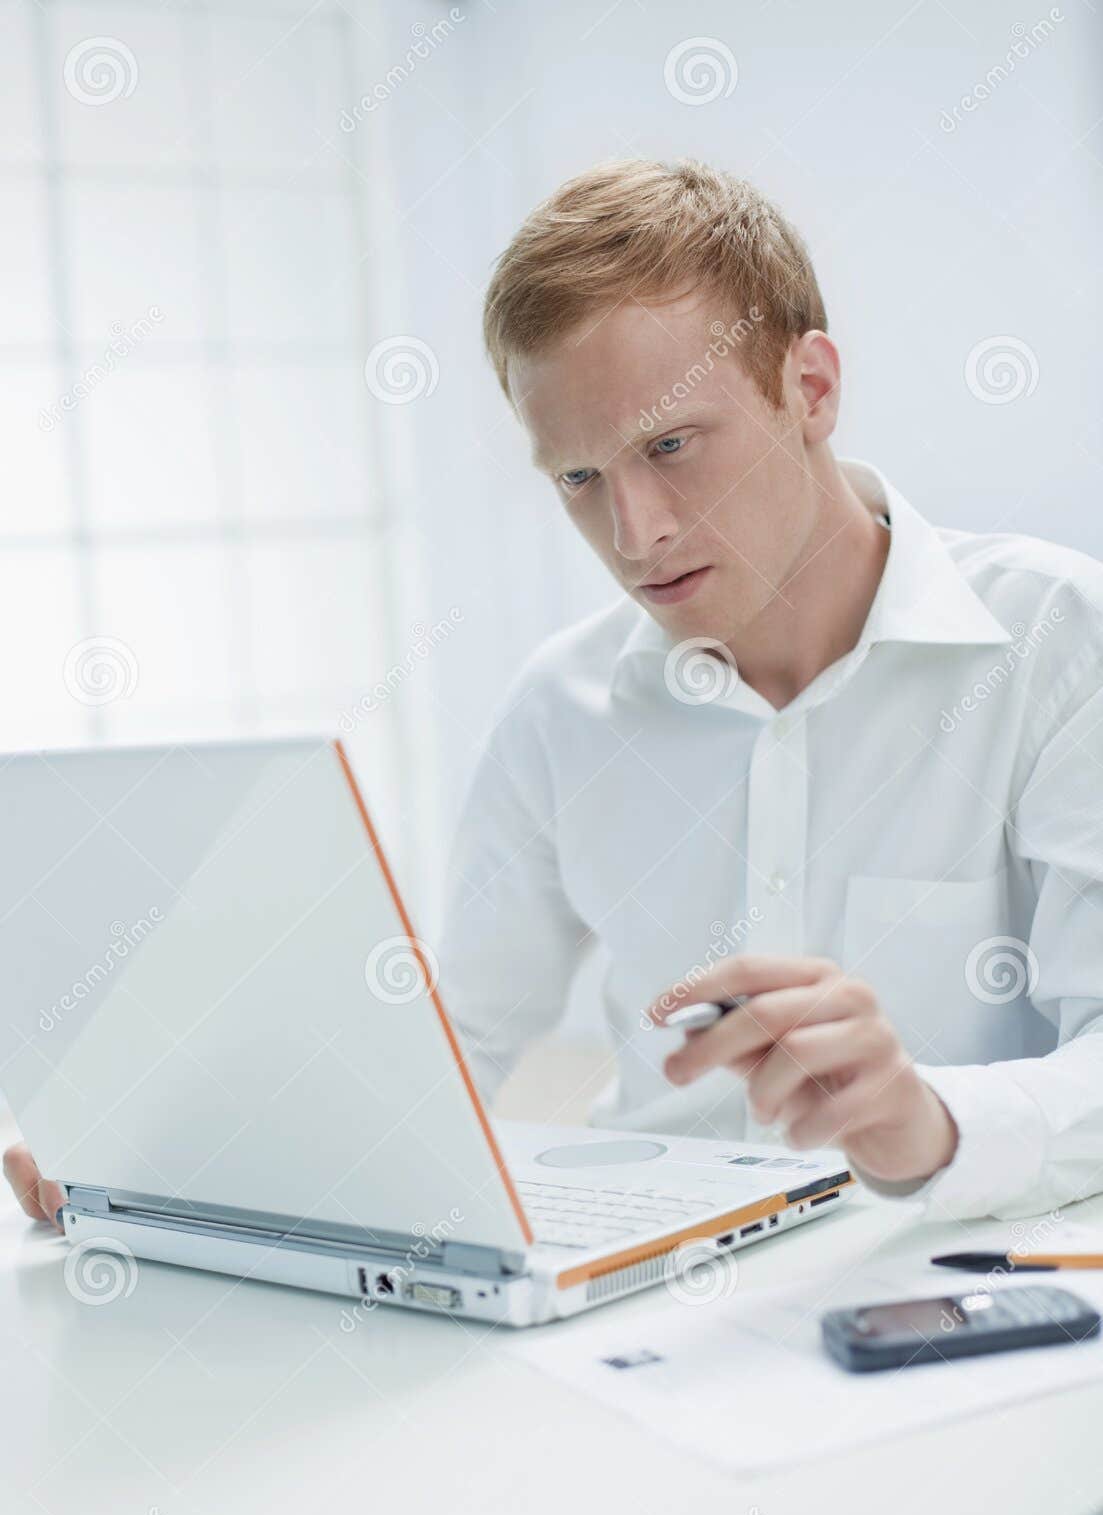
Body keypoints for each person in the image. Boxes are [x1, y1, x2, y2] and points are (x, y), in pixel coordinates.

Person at [6, 156, 1103, 1229]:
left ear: (807, 388)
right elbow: (450, 1043)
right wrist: (169, 1162)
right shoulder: (562, 705)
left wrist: (931, 1120)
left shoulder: (1055, 642)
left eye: (669, 445)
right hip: (647, 1301)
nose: (636, 534)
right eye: (576, 477)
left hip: (947, 1285)